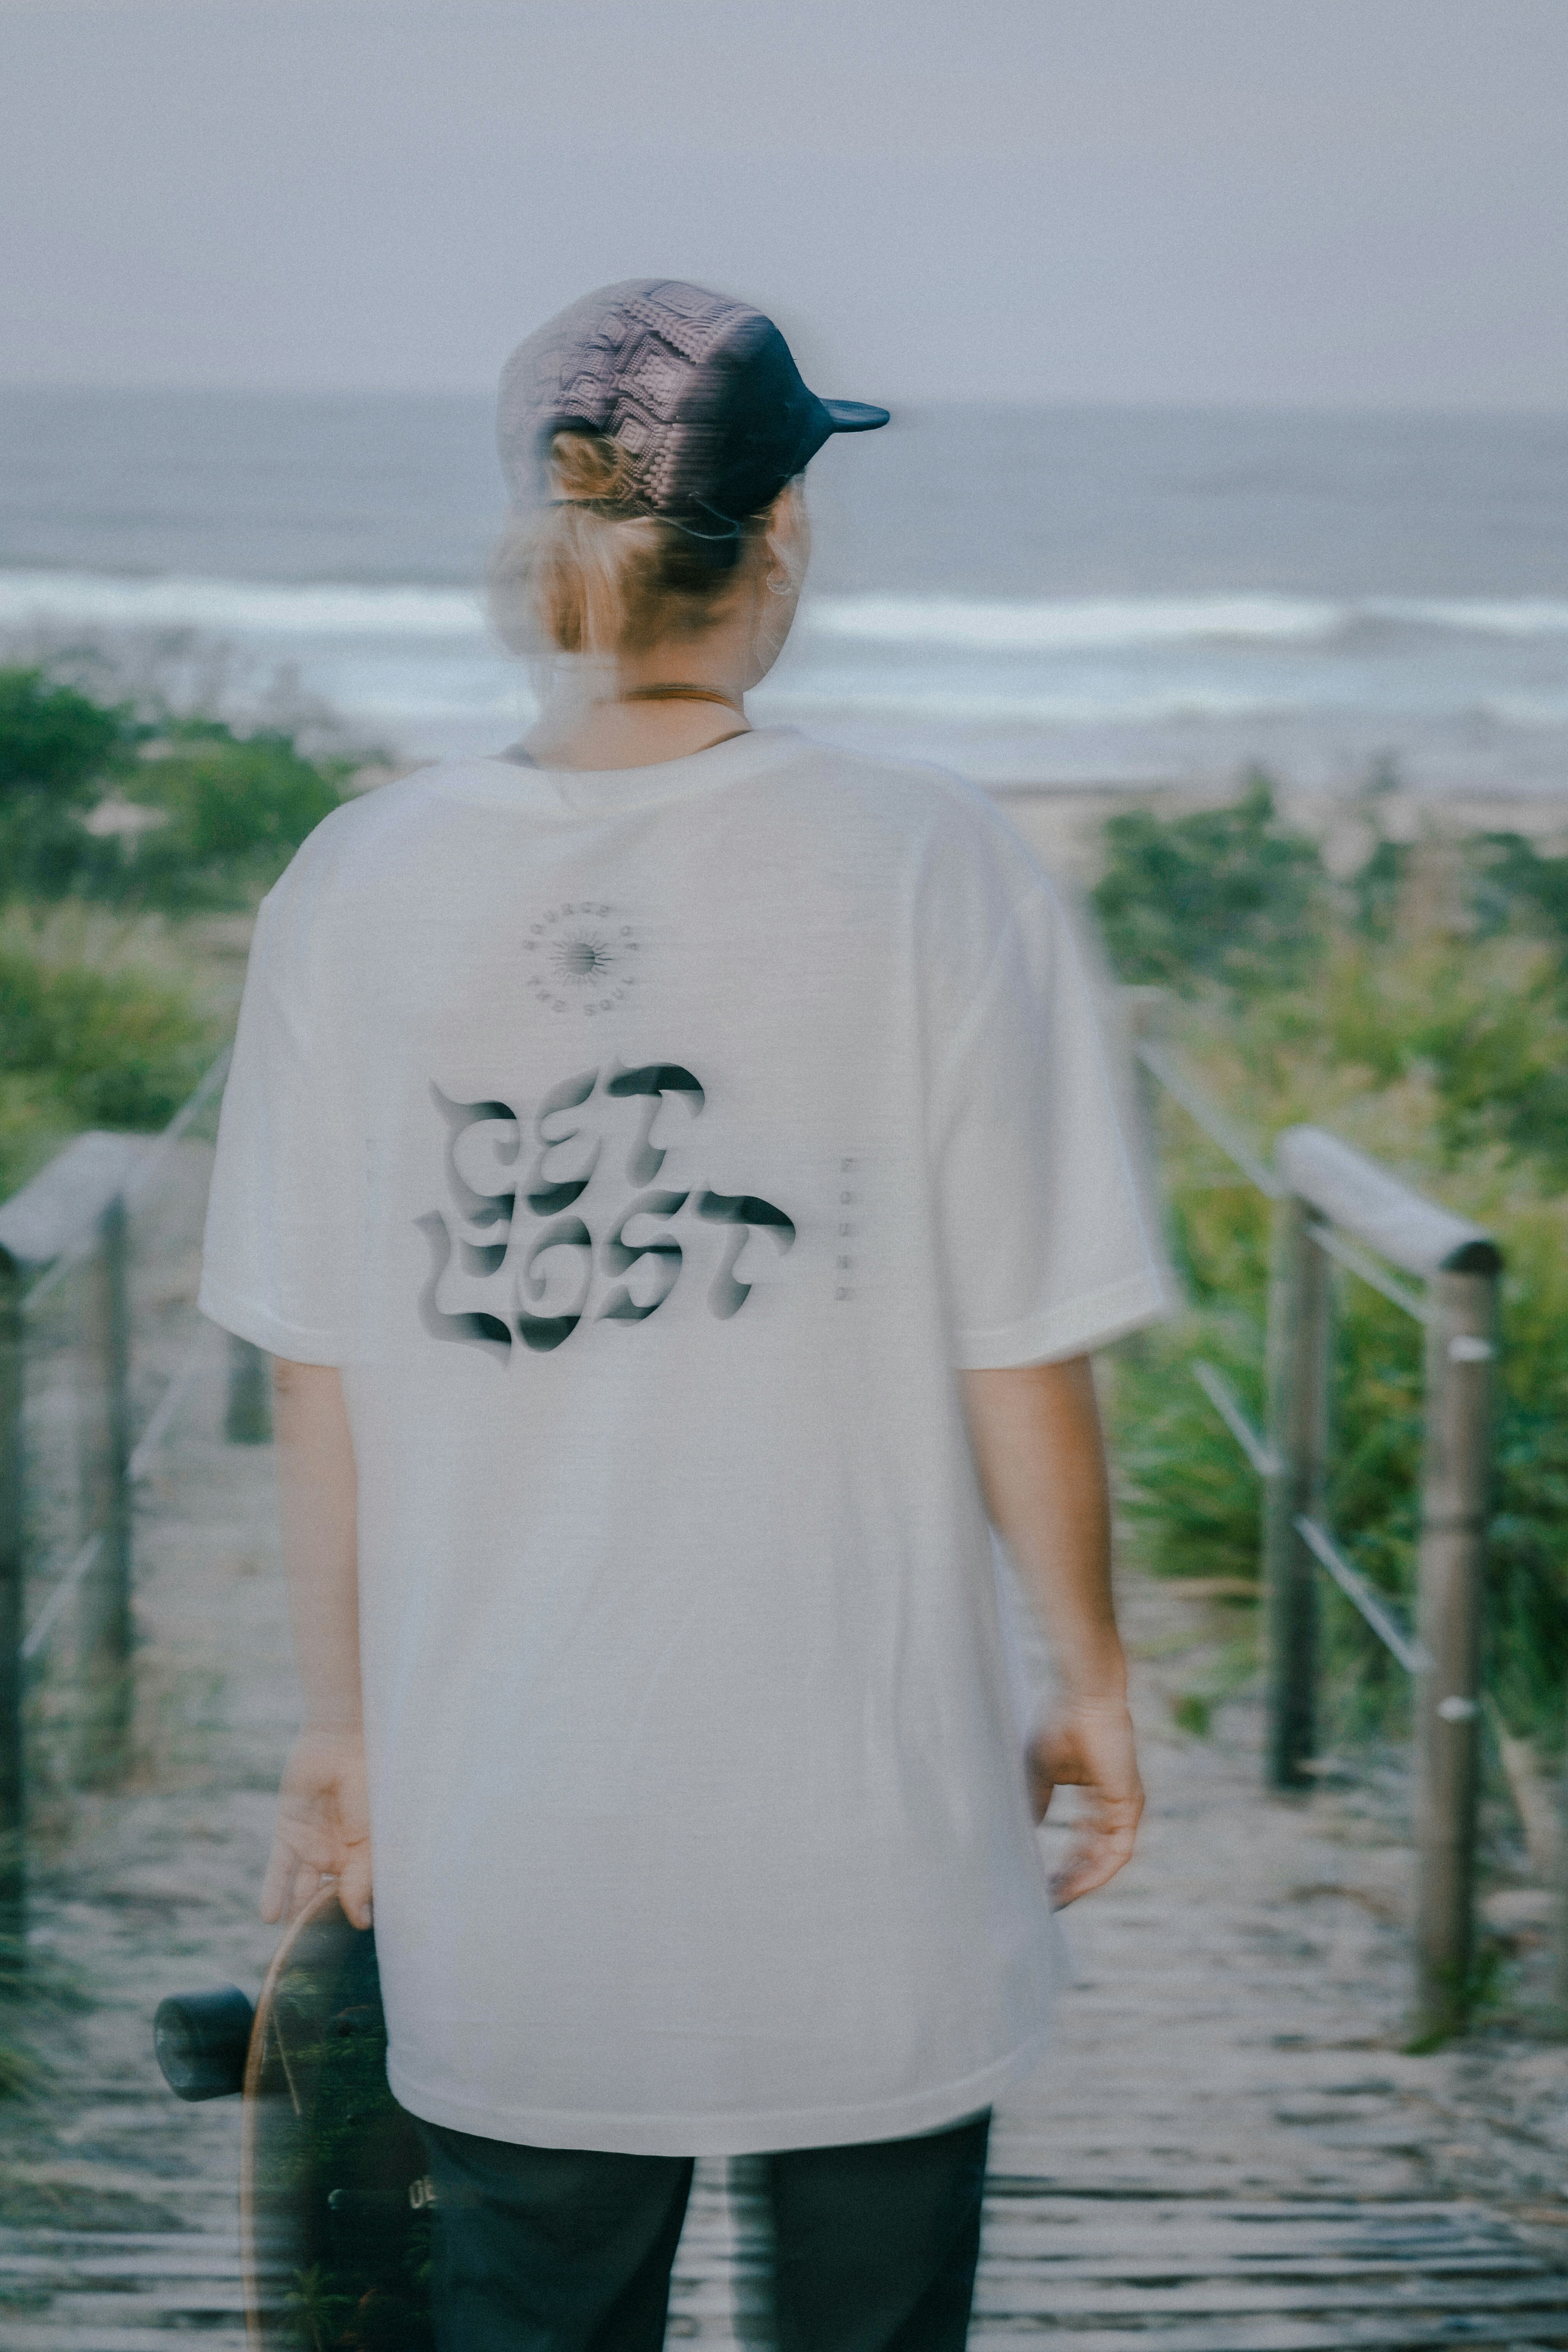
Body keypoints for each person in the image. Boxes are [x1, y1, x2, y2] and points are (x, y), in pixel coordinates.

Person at [199, 279, 1172, 2352]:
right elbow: (1021, 1346)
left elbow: (319, 1368)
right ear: (787, 528)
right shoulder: (930, 862)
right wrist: (1089, 1672)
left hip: (510, 1831)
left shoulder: (356, 881)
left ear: (546, 528)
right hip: (875, 1829)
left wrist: (344, 1730)